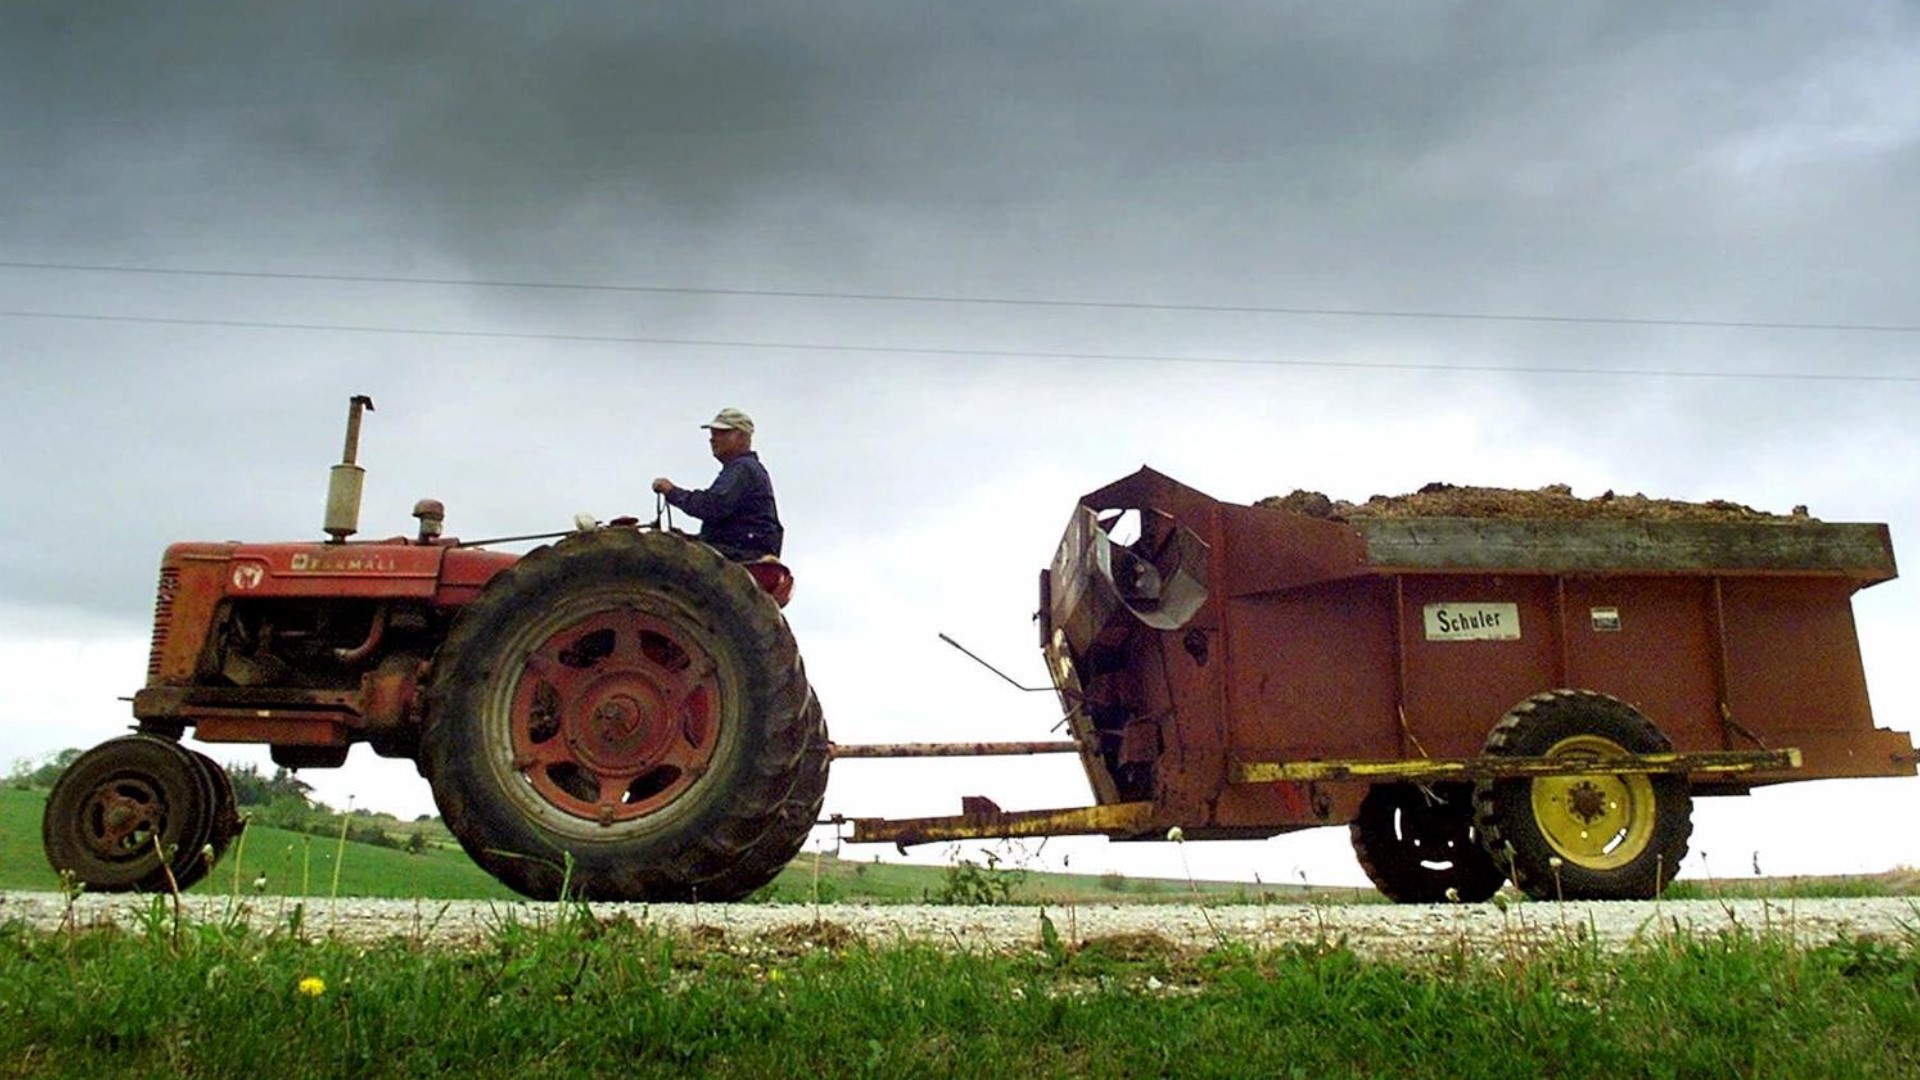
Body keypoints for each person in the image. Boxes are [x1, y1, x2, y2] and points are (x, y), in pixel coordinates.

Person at [651, 407, 785, 561]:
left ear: (742, 436)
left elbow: (713, 506)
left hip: (742, 553)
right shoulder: (744, 469)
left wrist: (672, 492)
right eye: (712, 434)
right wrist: (693, 539)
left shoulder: (742, 468)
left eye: (721, 433)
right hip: (745, 549)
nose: (712, 439)